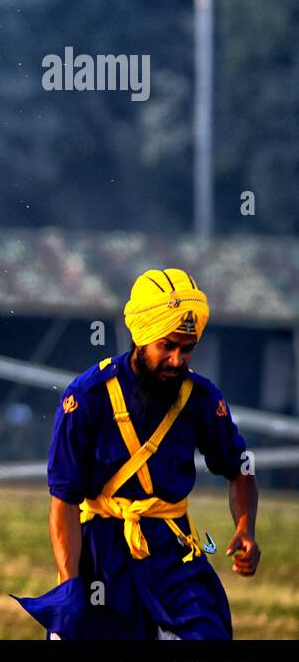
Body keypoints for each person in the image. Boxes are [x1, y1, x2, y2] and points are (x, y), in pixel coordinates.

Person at [13, 268, 260, 639]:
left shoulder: (202, 398)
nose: (177, 359)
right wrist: (70, 587)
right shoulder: (87, 397)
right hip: (101, 552)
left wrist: (245, 529)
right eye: (167, 346)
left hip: (173, 552)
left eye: (186, 349)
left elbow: (239, 467)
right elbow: (63, 500)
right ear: (142, 336)